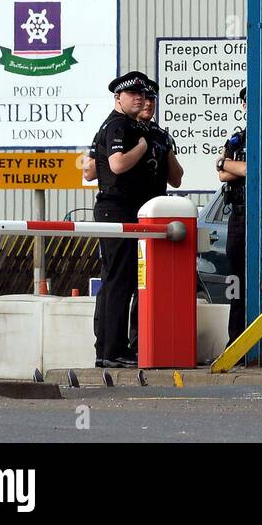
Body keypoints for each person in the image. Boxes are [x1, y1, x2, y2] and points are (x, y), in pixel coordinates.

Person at [90, 71, 156, 368]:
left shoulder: (112, 125)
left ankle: (107, 348)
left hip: (116, 206)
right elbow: (116, 165)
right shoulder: (119, 125)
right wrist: (142, 147)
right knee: (120, 280)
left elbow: (90, 170)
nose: (140, 99)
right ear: (118, 98)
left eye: (143, 95)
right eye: (134, 95)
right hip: (117, 207)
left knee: (115, 279)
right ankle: (113, 349)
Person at [216, 86, 248, 342]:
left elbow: (257, 169)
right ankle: (235, 339)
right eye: (247, 102)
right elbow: (222, 172)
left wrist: (228, 164)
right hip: (238, 216)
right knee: (236, 281)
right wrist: (229, 165)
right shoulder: (237, 140)